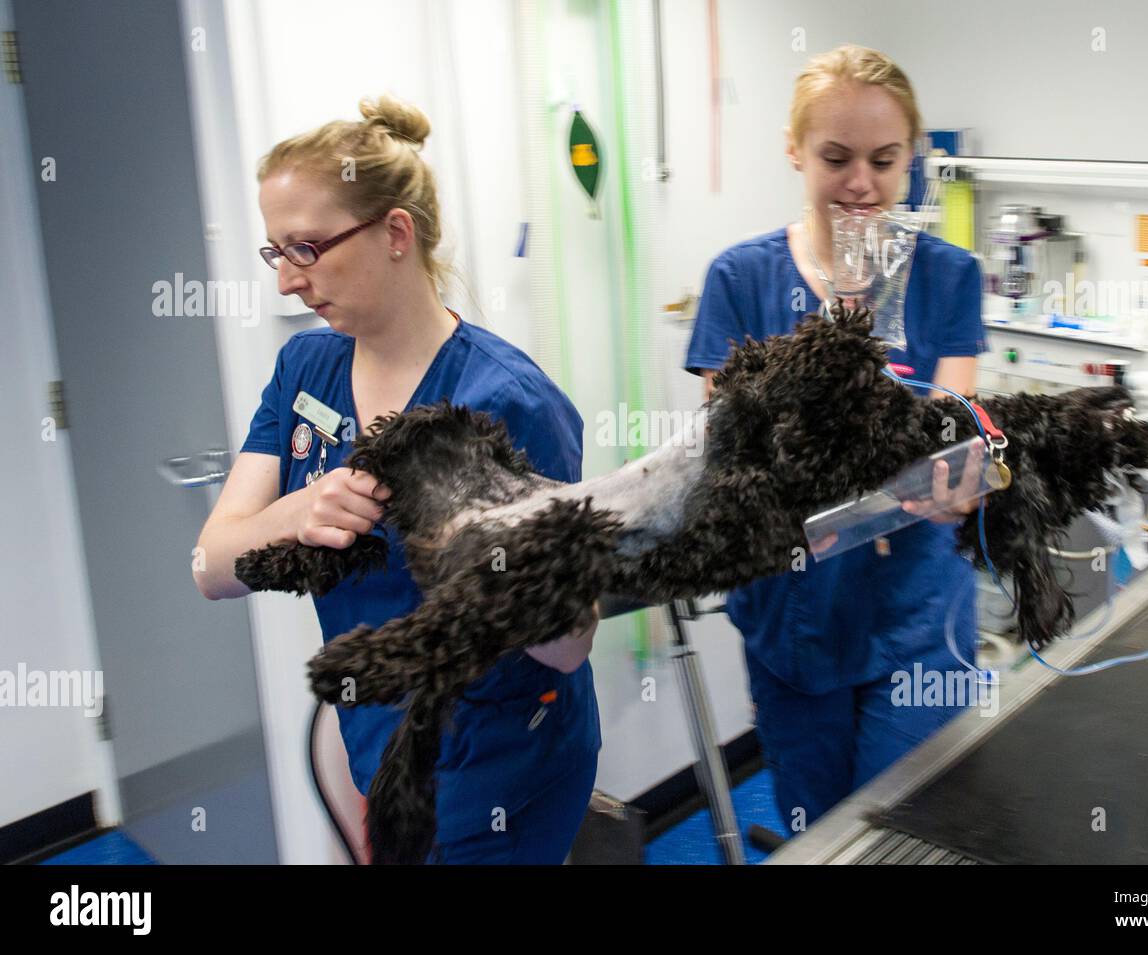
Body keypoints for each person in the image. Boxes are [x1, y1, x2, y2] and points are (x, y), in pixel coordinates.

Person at [193, 95, 600, 864]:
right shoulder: (303, 369)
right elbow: (213, 566)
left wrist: (484, 553)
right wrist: (296, 510)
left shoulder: (508, 399)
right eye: (273, 252)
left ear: (395, 234)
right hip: (378, 751)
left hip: (503, 771)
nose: (285, 281)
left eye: (306, 249)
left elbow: (572, 642)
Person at [684, 46, 988, 835]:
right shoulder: (741, 280)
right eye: (836, 158)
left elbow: (956, 427)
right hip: (796, 620)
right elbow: (734, 455)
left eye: (885, 161)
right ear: (794, 152)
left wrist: (965, 478)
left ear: (913, 155)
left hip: (921, 619)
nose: (862, 183)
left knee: (912, 829)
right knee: (819, 832)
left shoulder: (947, 277)